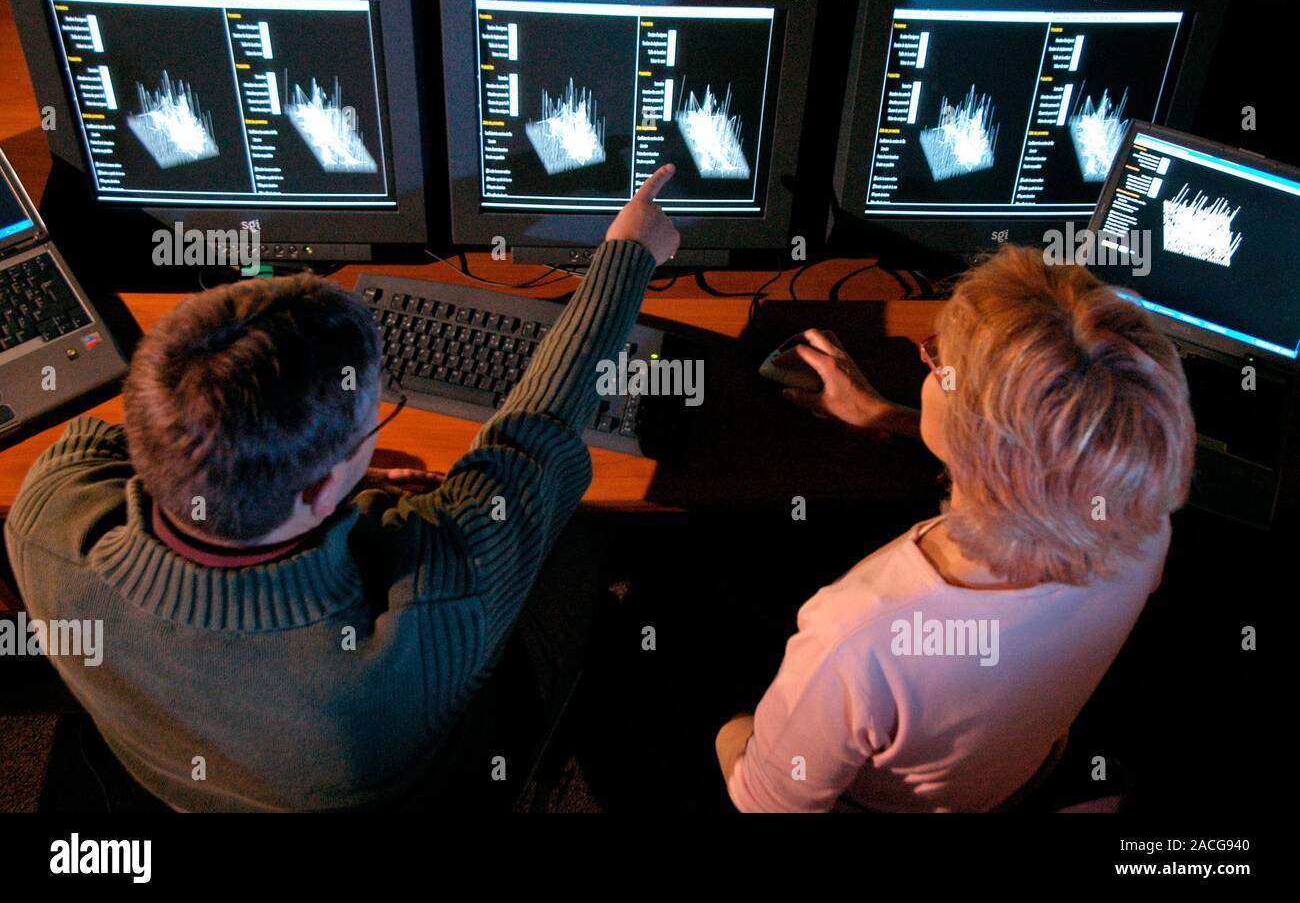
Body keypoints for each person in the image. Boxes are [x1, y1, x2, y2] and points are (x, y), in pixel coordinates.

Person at [4, 165, 681, 812]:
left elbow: (114, 442)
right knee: (586, 531)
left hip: (177, 776)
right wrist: (626, 257)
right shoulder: (433, 596)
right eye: (370, 428)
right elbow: (534, 439)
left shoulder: (45, 519)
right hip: (435, 769)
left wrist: (300, 461)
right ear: (326, 489)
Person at [716, 245, 1196, 812]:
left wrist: (734, 728)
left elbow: (768, 804)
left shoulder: (857, 638)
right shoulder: (1141, 520)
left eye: (937, 357)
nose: (928, 362)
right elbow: (1045, 467)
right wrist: (890, 418)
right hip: (1024, 765)